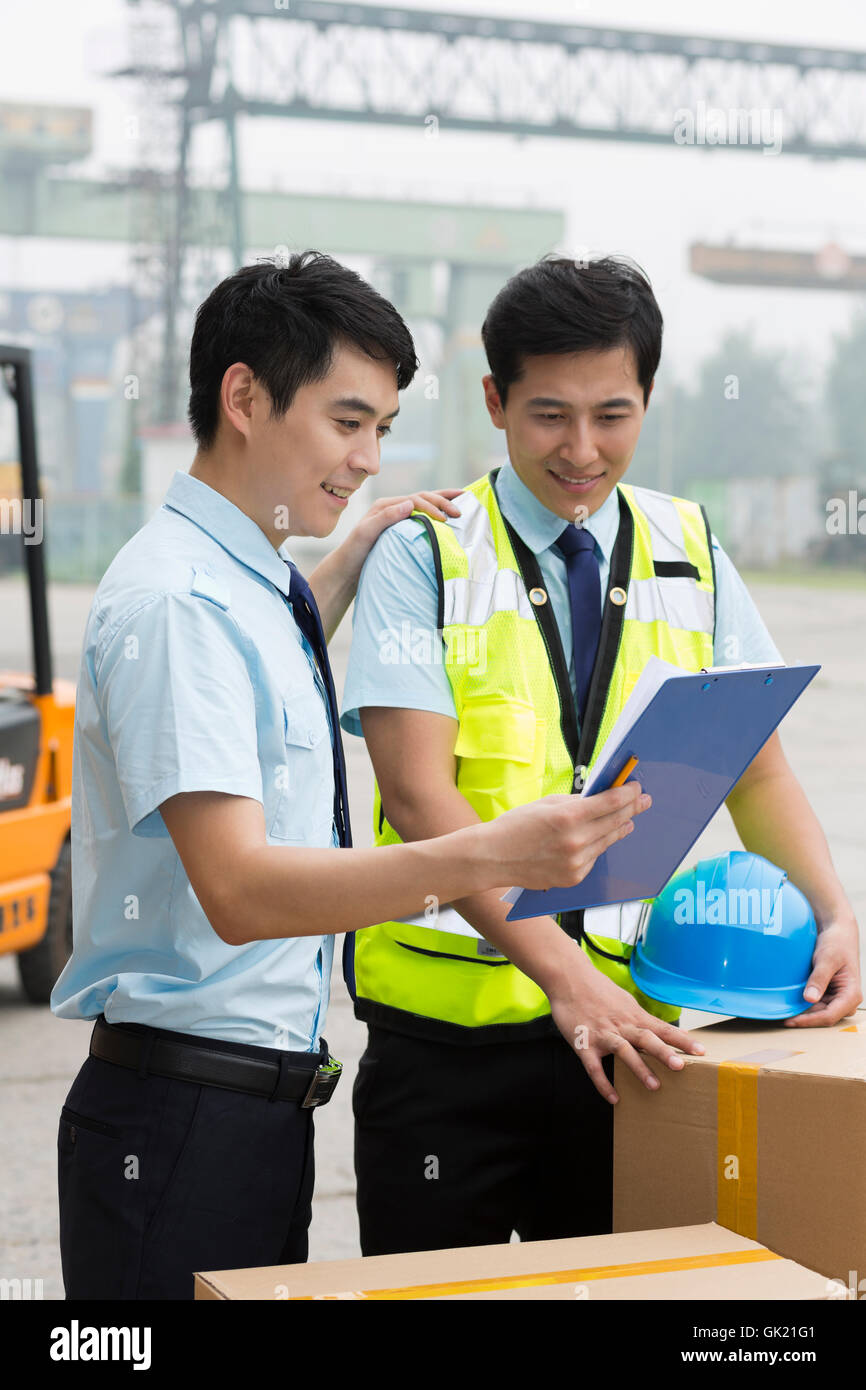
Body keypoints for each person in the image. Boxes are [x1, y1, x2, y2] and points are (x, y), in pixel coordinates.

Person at [50, 252, 690, 1301]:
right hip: (180, 1123)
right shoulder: (180, 605)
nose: (366, 459)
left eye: (383, 429)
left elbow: (264, 695)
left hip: (251, 1111)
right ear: (244, 395)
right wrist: (495, 849)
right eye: (347, 422)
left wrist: (342, 565)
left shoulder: (250, 584)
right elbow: (242, 888)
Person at [340, 254, 863, 1257]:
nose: (580, 448)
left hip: (627, 1040)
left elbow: (754, 769)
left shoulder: (691, 548)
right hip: (445, 1049)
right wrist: (563, 978)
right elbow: (414, 792)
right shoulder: (428, 553)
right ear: (493, 400)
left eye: (610, 414)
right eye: (547, 414)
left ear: (648, 399)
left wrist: (834, 914)